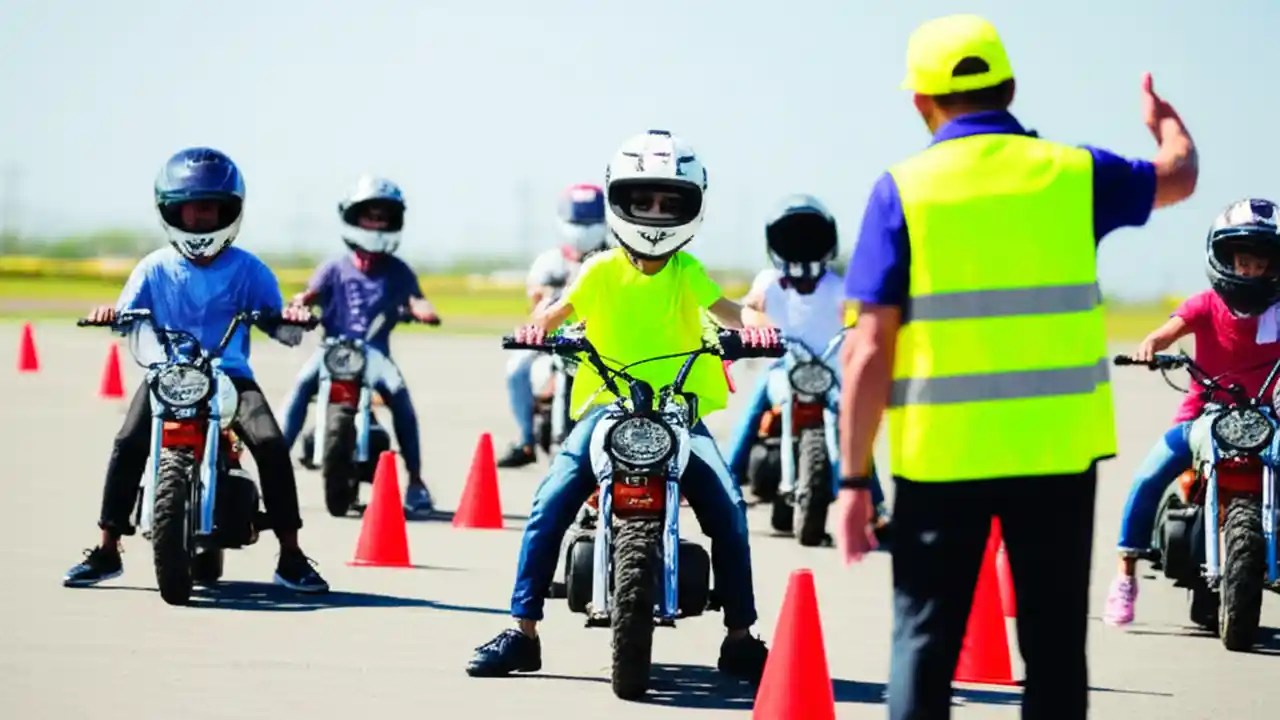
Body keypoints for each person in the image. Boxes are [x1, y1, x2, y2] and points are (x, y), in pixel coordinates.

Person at [834, 14, 1197, 719]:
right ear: (1011, 88)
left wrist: (853, 481)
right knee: (1055, 646)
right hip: (1055, 455)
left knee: (924, 640)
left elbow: (868, 348)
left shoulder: (901, 190)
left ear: (920, 102)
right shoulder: (1074, 174)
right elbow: (1178, 177)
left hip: (941, 460)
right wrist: (1167, 124)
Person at [466, 129, 777, 682]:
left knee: (729, 510)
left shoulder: (688, 273)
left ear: (691, 207)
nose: (656, 213)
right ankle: (523, 632)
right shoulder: (600, 269)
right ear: (619, 201)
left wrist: (757, 327)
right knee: (547, 507)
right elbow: (556, 312)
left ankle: (740, 636)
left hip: (679, 412)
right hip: (608, 410)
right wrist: (534, 330)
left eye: (670, 202)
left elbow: (733, 310)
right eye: (644, 200)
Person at [63, 147, 330, 593]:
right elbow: (126, 320)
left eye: (210, 209)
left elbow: (280, 329)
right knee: (128, 442)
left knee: (269, 442)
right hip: (167, 377)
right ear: (171, 212)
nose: (201, 219)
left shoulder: (250, 269)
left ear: (229, 211)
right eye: (190, 209)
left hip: (230, 375)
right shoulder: (152, 268)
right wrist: (109, 315)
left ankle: (291, 554)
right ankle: (107, 548)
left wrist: (291, 319)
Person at [1104, 198, 1280, 626]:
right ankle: (1125, 573)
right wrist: (1151, 347)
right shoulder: (1204, 304)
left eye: (1259, 263)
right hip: (1203, 414)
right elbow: (1169, 329)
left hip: (1268, 418)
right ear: (1225, 260)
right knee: (1149, 475)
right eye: (1242, 262)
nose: (1250, 272)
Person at [278, 175, 441, 517]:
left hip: (376, 354)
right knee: (299, 389)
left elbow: (416, 300)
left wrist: (422, 310)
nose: (376, 224)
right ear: (353, 219)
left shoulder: (398, 271)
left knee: (402, 405)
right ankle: (275, 469)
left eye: (383, 217)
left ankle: (415, 480)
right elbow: (307, 295)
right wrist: (298, 305)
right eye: (369, 216)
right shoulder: (333, 267)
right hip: (332, 351)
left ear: (394, 223)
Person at [723, 194, 888, 513]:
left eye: (809, 237)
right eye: (792, 238)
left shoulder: (839, 287)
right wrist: (752, 325)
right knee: (754, 407)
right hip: (785, 366)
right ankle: (728, 481)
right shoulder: (769, 283)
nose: (801, 245)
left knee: (852, 430)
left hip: (829, 375)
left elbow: (859, 314)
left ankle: (875, 505)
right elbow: (746, 308)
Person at [497, 183, 610, 468]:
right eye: (576, 223)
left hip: (600, 339)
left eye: (590, 223)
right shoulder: (549, 261)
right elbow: (535, 301)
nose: (583, 230)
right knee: (516, 369)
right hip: (552, 338)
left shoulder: (613, 259)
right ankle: (526, 440)